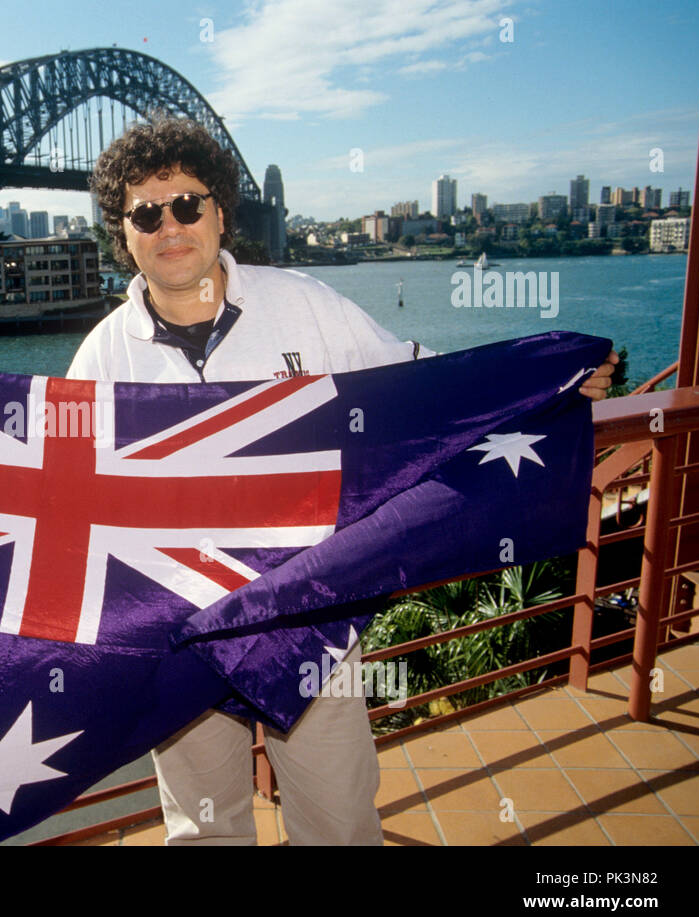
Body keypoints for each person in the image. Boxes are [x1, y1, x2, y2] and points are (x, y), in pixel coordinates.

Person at [68, 116, 616, 845]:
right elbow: (44, 480)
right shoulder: (103, 357)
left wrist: (553, 382)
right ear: (123, 232)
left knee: (339, 823)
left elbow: (430, 388)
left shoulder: (304, 305)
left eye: (188, 203)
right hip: (182, 631)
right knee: (203, 834)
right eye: (145, 212)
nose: (170, 225)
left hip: (309, 616)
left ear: (221, 210)